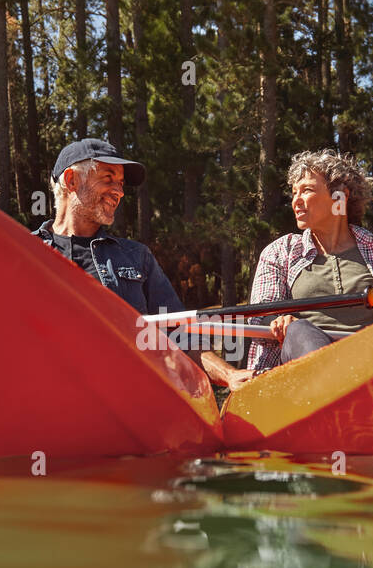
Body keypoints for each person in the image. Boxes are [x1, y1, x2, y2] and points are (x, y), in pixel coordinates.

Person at [34, 138, 239, 386]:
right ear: (71, 180)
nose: (119, 192)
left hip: (122, 397)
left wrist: (231, 375)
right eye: (108, 178)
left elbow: (181, 335)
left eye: (120, 184)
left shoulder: (136, 256)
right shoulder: (23, 251)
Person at [219, 149, 373, 391]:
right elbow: (259, 319)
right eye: (294, 193)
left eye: (307, 190)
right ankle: (335, 393)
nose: (296, 200)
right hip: (304, 374)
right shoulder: (280, 252)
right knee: (299, 330)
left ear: (340, 198)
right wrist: (281, 322)